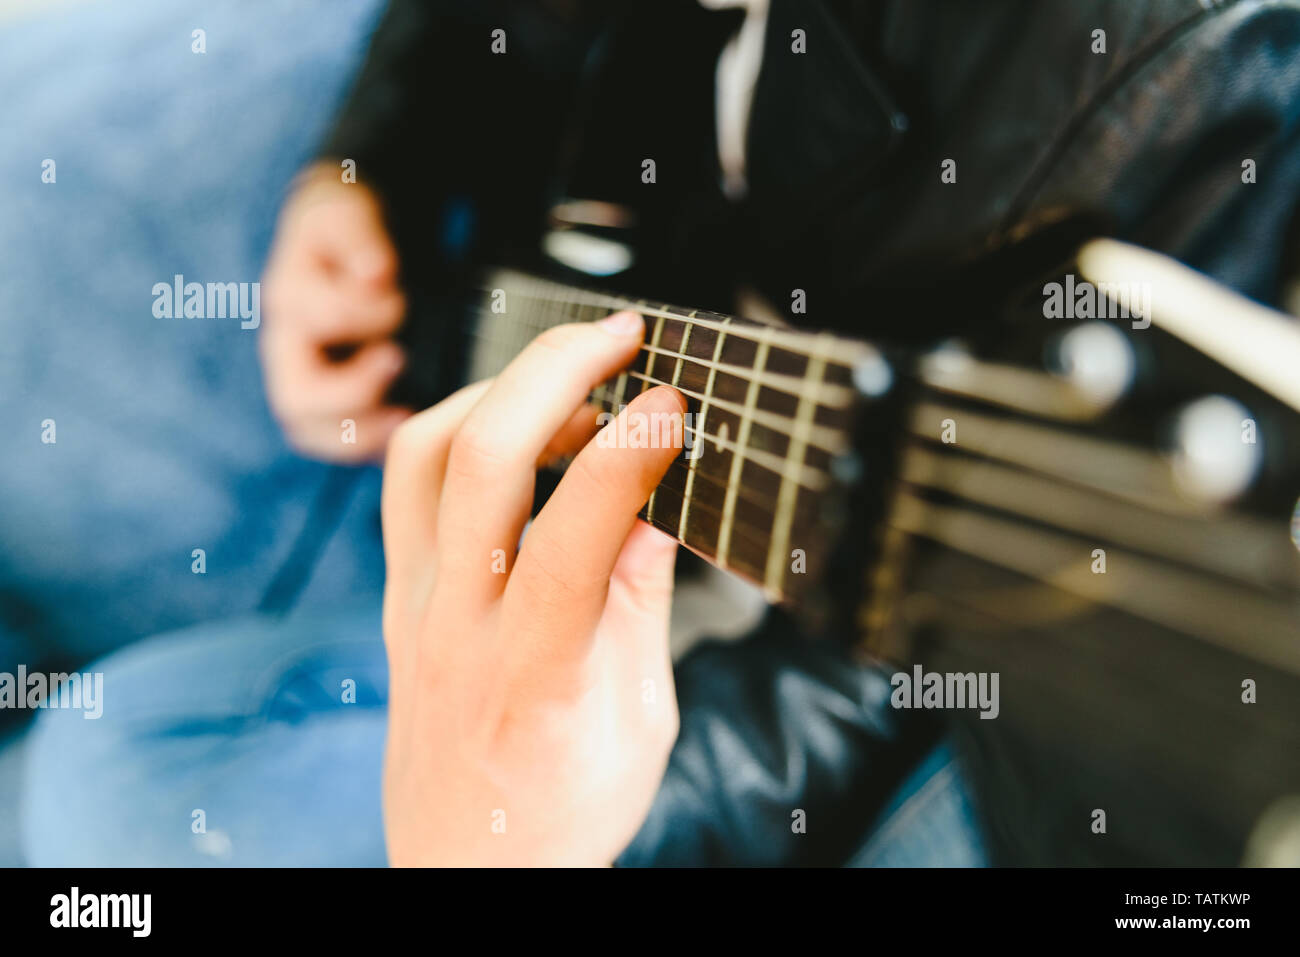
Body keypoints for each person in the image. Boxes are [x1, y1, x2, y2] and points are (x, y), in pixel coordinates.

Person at [23, 0, 1300, 866]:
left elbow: (933, 670)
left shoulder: (1186, 66)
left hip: (757, 660)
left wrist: (558, 819)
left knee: (111, 779)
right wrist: (363, 172)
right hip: (519, 370)